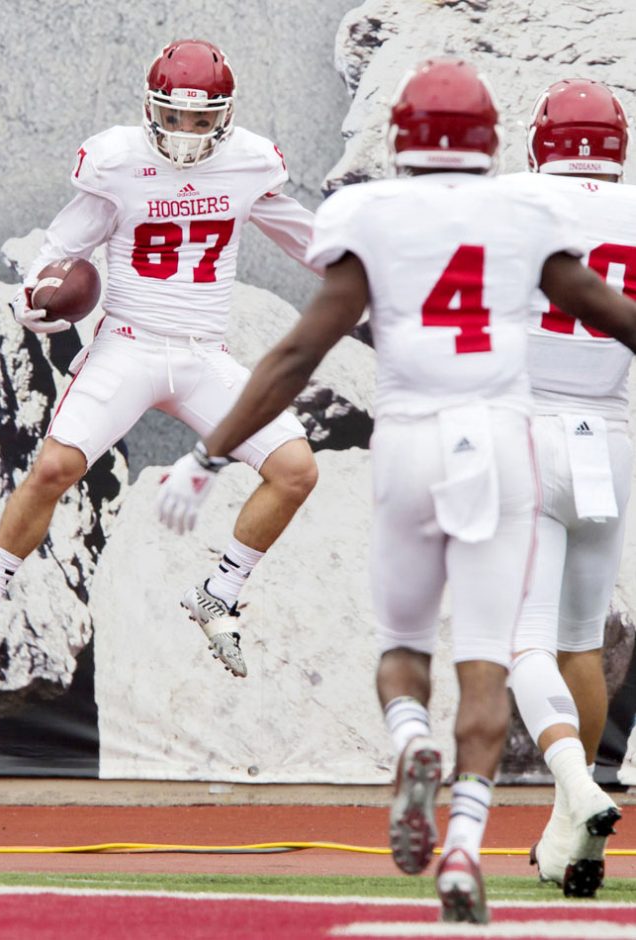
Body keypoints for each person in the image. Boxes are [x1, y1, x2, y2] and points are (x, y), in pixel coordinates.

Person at [156, 58, 636, 924]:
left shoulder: (399, 212)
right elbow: (601, 304)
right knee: (534, 649)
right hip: (560, 438)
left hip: (450, 437)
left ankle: (428, 744)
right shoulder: (525, 212)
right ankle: (516, 830)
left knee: (444, 645)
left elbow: (302, 350)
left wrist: (209, 456)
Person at [0, 38, 320, 679]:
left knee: (296, 470)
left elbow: (313, 242)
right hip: (130, 345)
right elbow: (59, 248)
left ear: (225, 114)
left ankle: (218, 593)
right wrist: (37, 294)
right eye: (174, 116)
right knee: (54, 466)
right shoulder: (118, 163)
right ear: (150, 108)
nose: (187, 133)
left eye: (201, 119)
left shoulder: (248, 163)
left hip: (203, 355)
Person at [508, 78, 634, 897]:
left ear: (537, 144)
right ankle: (567, 828)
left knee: (518, 637)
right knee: (580, 640)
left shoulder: (507, 199)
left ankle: (578, 788)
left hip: (520, 429)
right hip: (609, 439)